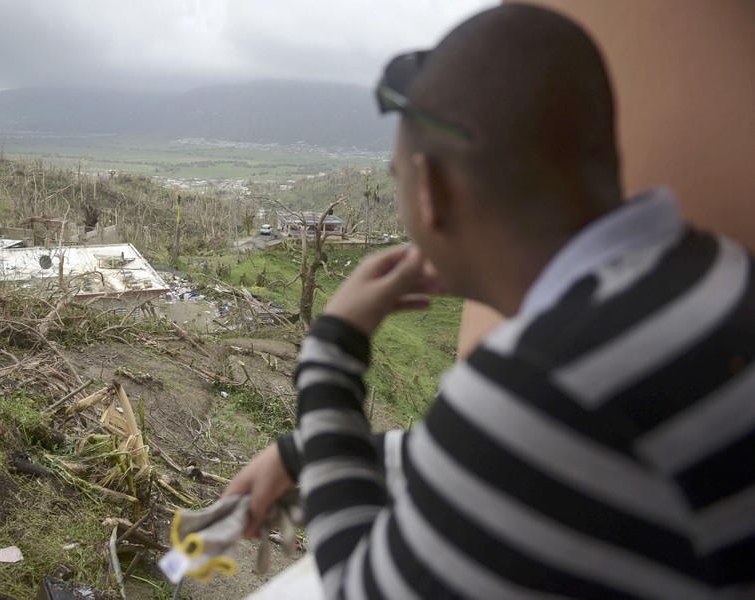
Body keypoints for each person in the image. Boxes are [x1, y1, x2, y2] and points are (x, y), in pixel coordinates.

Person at [225, 4, 755, 598]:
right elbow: (525, 464)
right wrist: (308, 455)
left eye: (399, 177)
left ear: (432, 191)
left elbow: (359, 587)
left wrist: (333, 346)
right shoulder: (717, 267)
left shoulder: (543, 381)